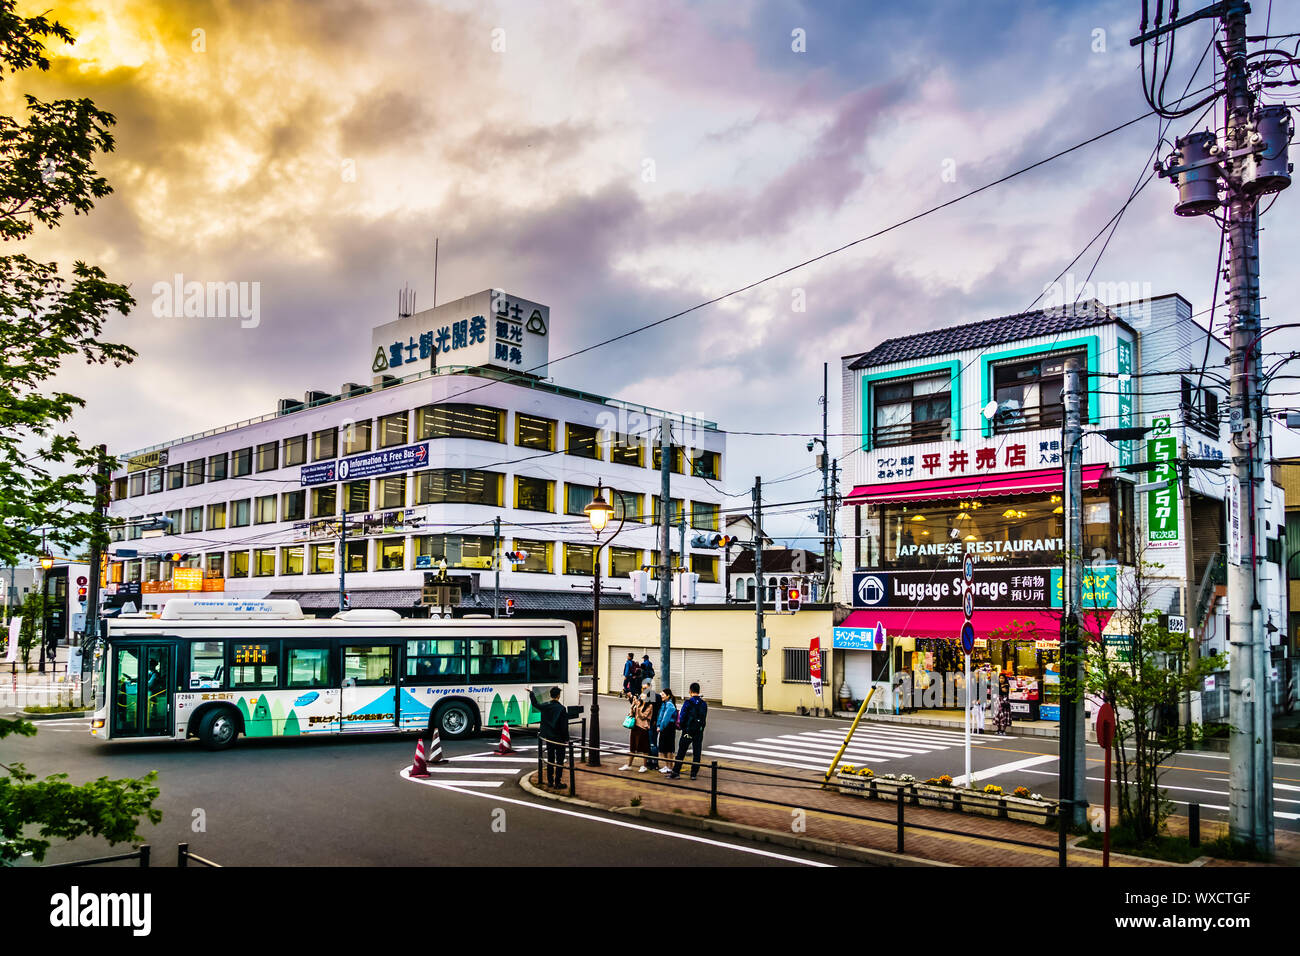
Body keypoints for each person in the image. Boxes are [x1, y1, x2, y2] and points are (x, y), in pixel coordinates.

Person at [528, 686, 569, 788]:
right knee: (560, 761)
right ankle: (557, 782)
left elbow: (535, 704)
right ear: (558, 696)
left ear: (550, 695)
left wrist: (531, 694)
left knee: (550, 759)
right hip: (559, 739)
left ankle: (550, 781)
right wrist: (566, 739)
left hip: (548, 737)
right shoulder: (562, 709)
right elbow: (564, 727)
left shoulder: (545, 706)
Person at [667, 682, 708, 779]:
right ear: (698, 691)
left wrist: (683, 728)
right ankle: (693, 774)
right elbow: (704, 717)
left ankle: (676, 772)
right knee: (697, 753)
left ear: (690, 691)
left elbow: (682, 717)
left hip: (687, 731)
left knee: (681, 752)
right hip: (698, 732)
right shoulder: (703, 704)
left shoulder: (688, 702)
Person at [620, 687, 654, 772]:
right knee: (632, 747)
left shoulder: (650, 706)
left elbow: (643, 716)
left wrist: (638, 707)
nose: (641, 695)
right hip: (635, 727)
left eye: (644, 694)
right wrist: (632, 706)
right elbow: (631, 714)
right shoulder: (639, 702)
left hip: (643, 728)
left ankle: (644, 766)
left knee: (644, 748)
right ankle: (629, 765)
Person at [655, 688, 678, 775]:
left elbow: (666, 718)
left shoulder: (670, 705)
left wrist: (660, 727)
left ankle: (669, 767)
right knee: (663, 748)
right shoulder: (664, 704)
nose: (661, 695)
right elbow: (661, 716)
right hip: (664, 727)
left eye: (663, 694)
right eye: (661, 694)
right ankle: (667, 766)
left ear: (668, 696)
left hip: (669, 727)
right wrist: (658, 725)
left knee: (668, 748)